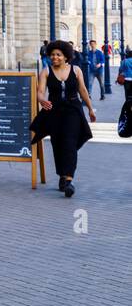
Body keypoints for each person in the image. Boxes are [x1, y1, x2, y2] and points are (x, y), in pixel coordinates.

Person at [30, 41, 96, 198]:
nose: (55, 57)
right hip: (54, 111)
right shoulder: (46, 71)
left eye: (58, 55)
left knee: (70, 143)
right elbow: (40, 91)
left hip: (73, 110)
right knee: (57, 144)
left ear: (66, 56)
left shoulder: (76, 70)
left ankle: (68, 180)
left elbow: (83, 90)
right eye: (52, 54)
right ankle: (62, 174)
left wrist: (91, 109)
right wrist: (41, 100)